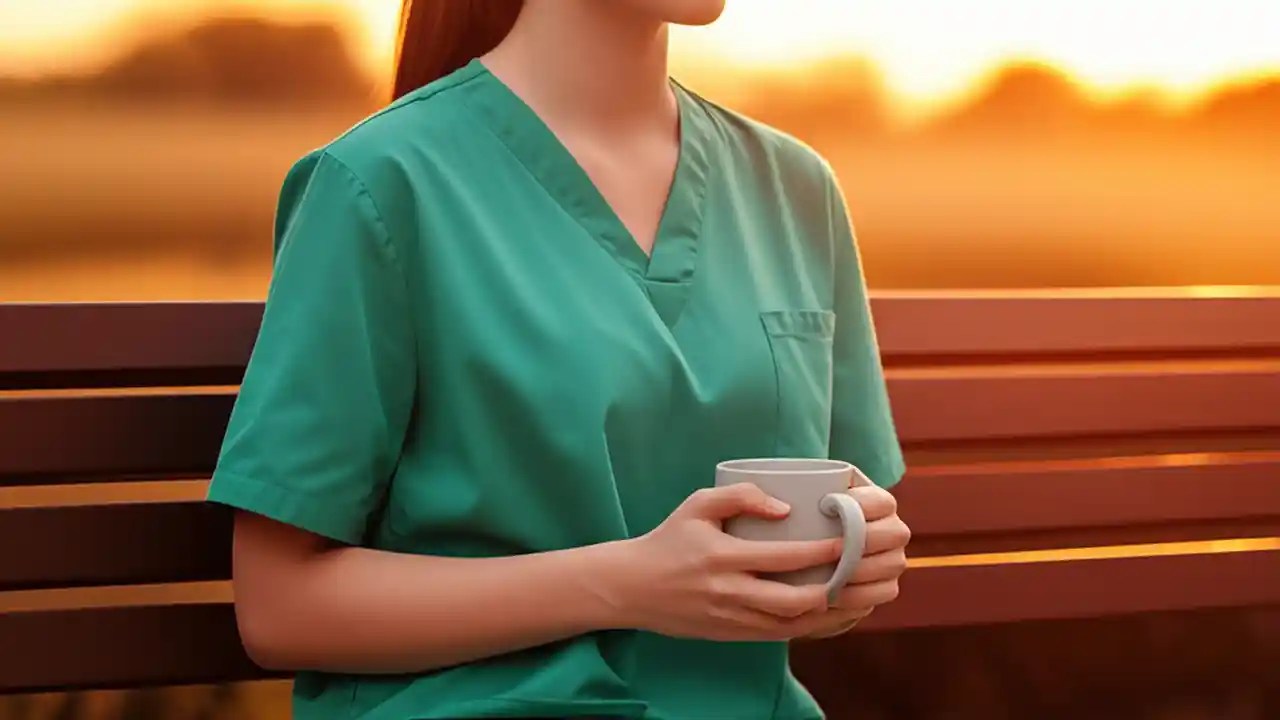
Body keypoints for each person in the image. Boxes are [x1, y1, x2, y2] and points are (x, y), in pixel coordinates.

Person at [206, 1, 911, 718]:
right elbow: (280, 606)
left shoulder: (795, 190)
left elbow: (832, 546)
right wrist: (628, 584)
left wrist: (852, 566)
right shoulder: (379, 182)